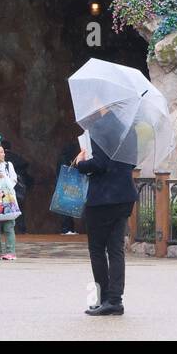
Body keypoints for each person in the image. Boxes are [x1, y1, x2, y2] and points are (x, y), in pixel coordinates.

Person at [76, 123, 138, 316]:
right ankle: (115, 300)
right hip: (124, 196)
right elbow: (132, 162)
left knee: (97, 249)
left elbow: (98, 164)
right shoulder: (130, 129)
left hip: (103, 199)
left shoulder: (100, 129)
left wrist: (81, 163)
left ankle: (104, 299)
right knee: (116, 249)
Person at [57, 139, 81, 234]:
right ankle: (67, 229)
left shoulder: (62, 158)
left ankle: (68, 228)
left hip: (63, 185)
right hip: (66, 185)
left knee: (67, 206)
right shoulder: (65, 159)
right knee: (66, 207)